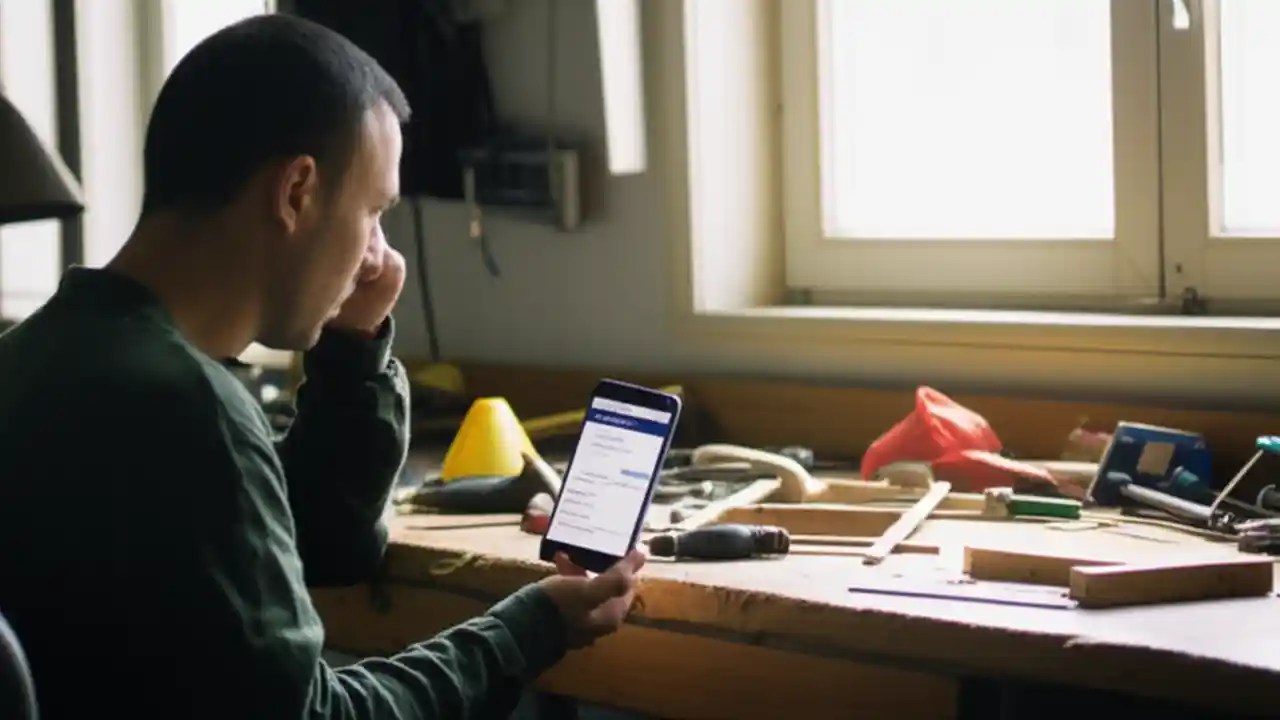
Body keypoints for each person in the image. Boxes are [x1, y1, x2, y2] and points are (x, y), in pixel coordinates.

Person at [0, 13, 645, 719]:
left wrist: (353, 348)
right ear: (296, 194)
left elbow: (325, 543)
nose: (377, 255)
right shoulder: (188, 405)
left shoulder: (42, 357)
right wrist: (529, 628)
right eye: (372, 211)